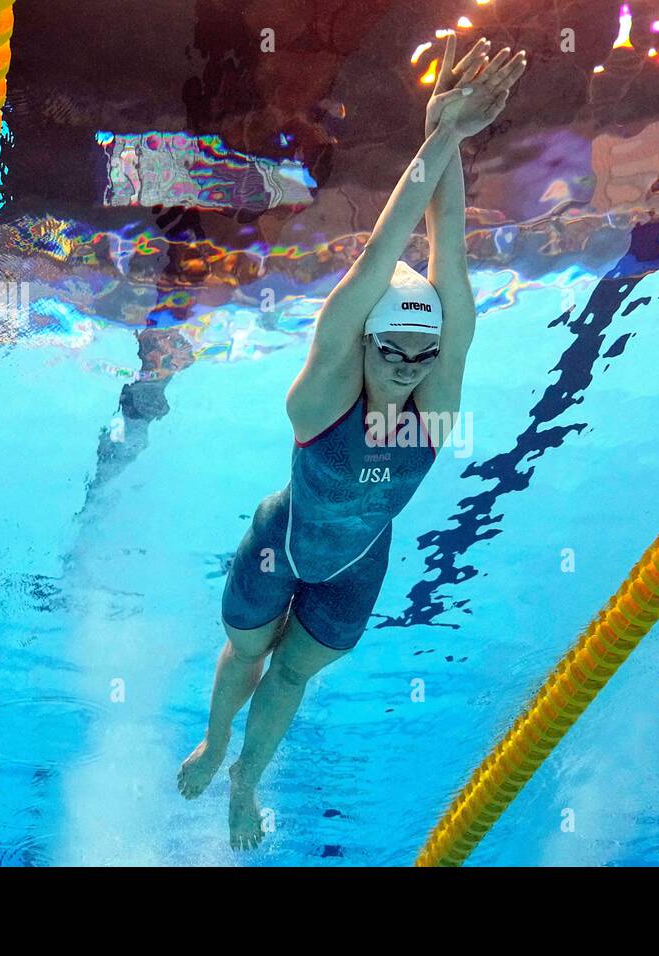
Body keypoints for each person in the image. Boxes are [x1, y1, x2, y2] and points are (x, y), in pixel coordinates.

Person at [177, 35, 528, 849]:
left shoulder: (434, 404)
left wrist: (457, 141)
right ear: (361, 343)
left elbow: (450, 265)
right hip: (282, 542)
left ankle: (246, 781)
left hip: (357, 565)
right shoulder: (320, 400)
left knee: (293, 676)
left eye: (425, 354)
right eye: (392, 351)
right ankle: (217, 741)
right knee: (248, 656)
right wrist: (435, 136)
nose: (410, 370)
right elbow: (378, 261)